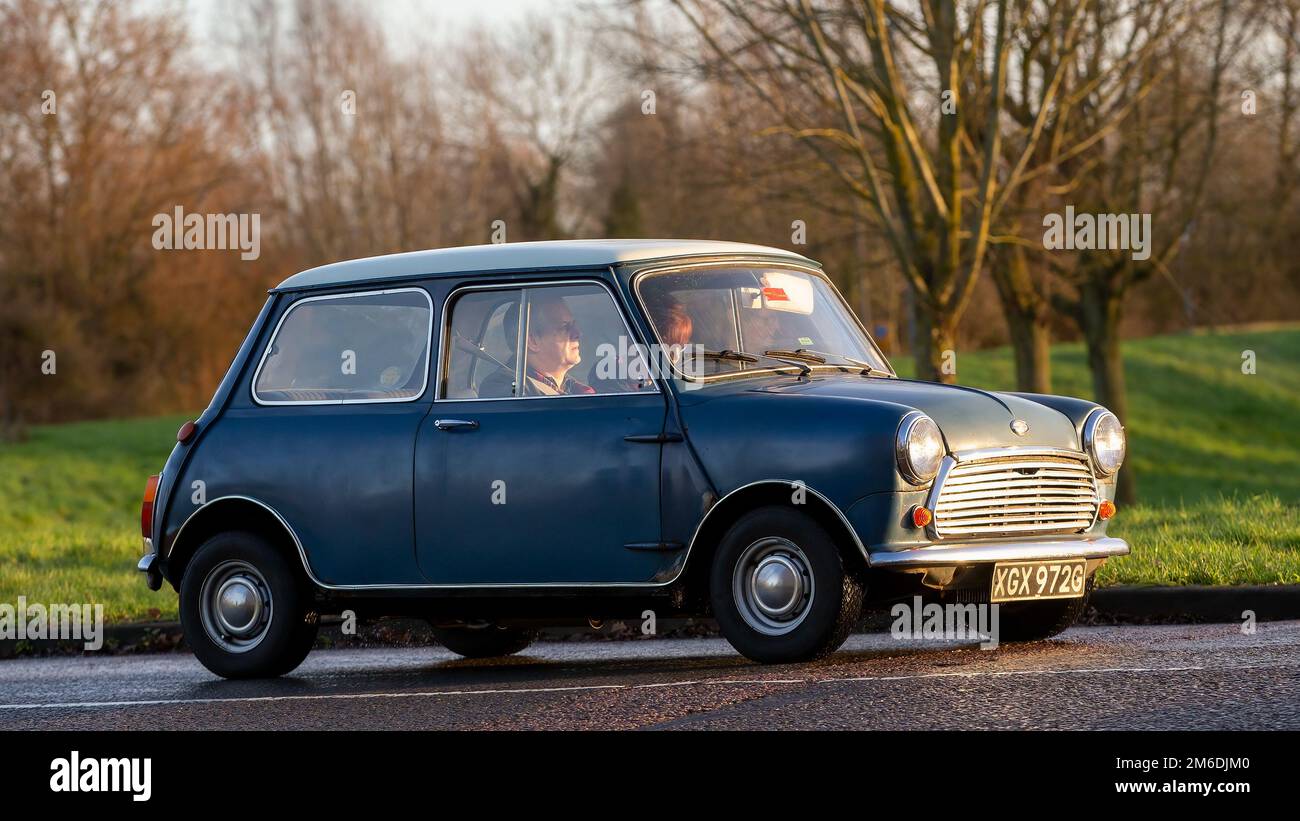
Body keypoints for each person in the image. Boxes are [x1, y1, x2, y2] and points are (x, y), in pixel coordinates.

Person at [478, 292, 595, 397]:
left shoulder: (572, 388)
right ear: (532, 341)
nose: (578, 333)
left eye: (574, 324)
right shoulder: (503, 389)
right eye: (565, 327)